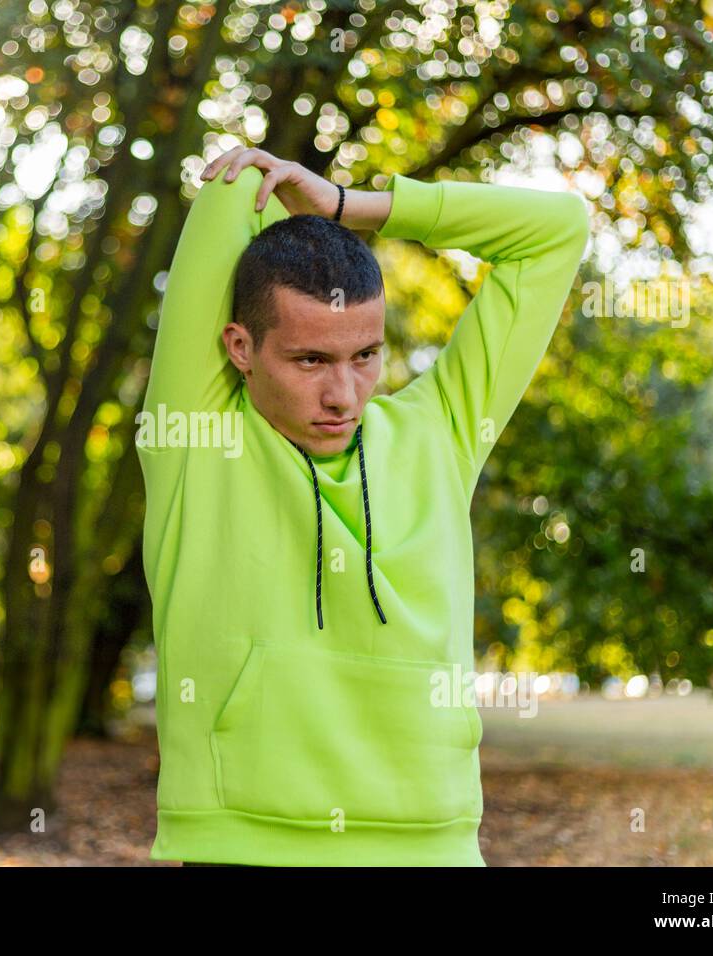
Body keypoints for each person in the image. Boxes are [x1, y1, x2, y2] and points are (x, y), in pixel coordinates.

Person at [136, 146, 590, 867]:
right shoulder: (196, 434)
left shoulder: (441, 432)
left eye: (366, 356)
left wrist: (351, 205)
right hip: (242, 845)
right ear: (241, 348)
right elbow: (235, 187)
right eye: (311, 360)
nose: (344, 395)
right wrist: (269, 180)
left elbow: (558, 227)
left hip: (430, 844)